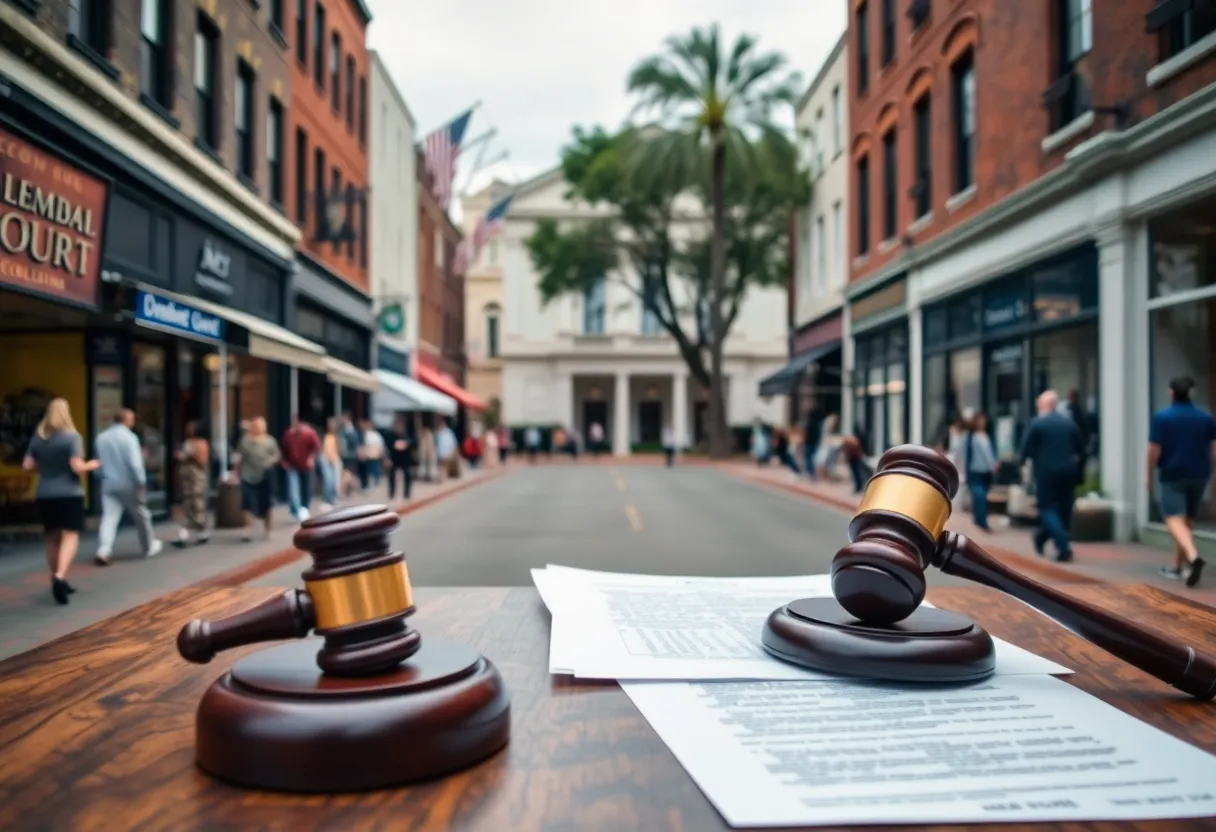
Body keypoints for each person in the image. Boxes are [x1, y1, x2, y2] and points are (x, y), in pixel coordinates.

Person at [22, 398, 100, 604]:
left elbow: (27, 465)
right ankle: (59, 577)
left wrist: (46, 470)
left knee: (51, 537)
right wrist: (91, 465)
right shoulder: (72, 437)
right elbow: (77, 467)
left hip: (45, 493)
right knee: (69, 536)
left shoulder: (38, 438)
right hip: (69, 492)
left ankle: (60, 579)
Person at [1147, 376, 1211, 587]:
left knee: (1173, 519)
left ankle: (1192, 557)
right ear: (1191, 393)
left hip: (1173, 474)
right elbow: (1214, 450)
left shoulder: (1163, 418)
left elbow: (1154, 450)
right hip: (1199, 474)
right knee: (1187, 522)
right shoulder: (1205, 418)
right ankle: (1177, 566)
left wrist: (1148, 474)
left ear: (1171, 392)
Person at [1019, 390, 1084, 563]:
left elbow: (1025, 449)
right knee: (1063, 511)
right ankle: (1042, 537)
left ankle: (1063, 547)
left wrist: (1024, 465)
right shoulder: (1069, 424)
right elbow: (1081, 449)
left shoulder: (1038, 423)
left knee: (1047, 509)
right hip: (1068, 473)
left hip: (1046, 473)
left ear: (1042, 406)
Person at [93, 408, 162, 563]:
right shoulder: (130, 438)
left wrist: (100, 477)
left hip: (108, 483)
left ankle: (104, 549)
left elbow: (98, 463)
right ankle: (148, 546)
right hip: (129, 483)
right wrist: (141, 482)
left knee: (109, 517)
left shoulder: (101, 438)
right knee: (141, 515)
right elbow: (135, 464)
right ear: (126, 420)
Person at [234, 417, 280, 542]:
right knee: (247, 502)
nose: (258, 428)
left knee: (267, 503)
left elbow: (276, 455)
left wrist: (270, 462)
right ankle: (247, 529)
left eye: (261, 425)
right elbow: (238, 457)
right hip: (247, 475)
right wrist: (235, 473)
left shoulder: (270, 441)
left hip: (265, 475)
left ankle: (268, 529)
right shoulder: (245, 441)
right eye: (256, 425)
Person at [173, 419, 210, 548]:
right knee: (187, 503)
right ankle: (188, 531)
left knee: (197, 503)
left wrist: (190, 455)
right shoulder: (187, 442)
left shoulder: (201, 443)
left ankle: (200, 530)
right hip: (186, 477)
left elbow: (202, 461)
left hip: (196, 478)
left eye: (191, 428)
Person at [962, 411, 998, 532]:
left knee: (981, 495)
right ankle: (982, 521)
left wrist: (994, 464)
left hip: (986, 471)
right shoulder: (971, 437)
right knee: (980, 495)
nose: (983, 422)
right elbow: (967, 455)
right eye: (980, 420)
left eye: (984, 420)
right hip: (975, 470)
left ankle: (978, 518)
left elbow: (991, 452)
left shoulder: (987, 435)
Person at [281, 414, 320, 521]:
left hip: (306, 466)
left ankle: (305, 508)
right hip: (292, 466)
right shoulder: (288, 434)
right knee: (293, 490)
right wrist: (284, 461)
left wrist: (311, 458)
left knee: (307, 488)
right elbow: (284, 449)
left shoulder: (309, 433)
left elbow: (315, 447)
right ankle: (296, 510)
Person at [385, 416, 413, 500]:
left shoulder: (407, 434)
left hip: (405, 458)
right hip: (394, 458)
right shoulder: (391, 435)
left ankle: (407, 493)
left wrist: (406, 443)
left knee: (407, 475)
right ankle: (392, 492)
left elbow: (413, 441)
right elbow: (388, 445)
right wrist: (395, 445)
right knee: (392, 476)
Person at [319, 419, 341, 510]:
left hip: (334, 460)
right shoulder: (325, 436)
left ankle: (333, 498)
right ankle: (326, 499)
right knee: (328, 480)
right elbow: (322, 449)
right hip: (326, 460)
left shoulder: (336, 437)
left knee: (335, 481)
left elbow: (338, 449)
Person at [337, 413, 361, 496]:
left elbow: (355, 441)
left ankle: (352, 488)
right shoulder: (342, 430)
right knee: (346, 473)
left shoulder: (350, 429)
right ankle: (349, 489)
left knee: (349, 473)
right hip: (344, 455)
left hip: (350, 455)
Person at [360, 419, 385, 489]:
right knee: (367, 471)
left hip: (375, 456)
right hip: (367, 456)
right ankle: (366, 485)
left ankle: (376, 482)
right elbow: (363, 445)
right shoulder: (364, 434)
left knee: (376, 470)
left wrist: (381, 453)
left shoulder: (376, 435)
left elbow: (381, 445)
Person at [803, 405, 823, 480]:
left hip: (809, 443)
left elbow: (806, 434)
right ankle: (811, 473)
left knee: (809, 459)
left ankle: (811, 474)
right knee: (812, 459)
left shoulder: (809, 424)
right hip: (813, 443)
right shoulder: (817, 424)